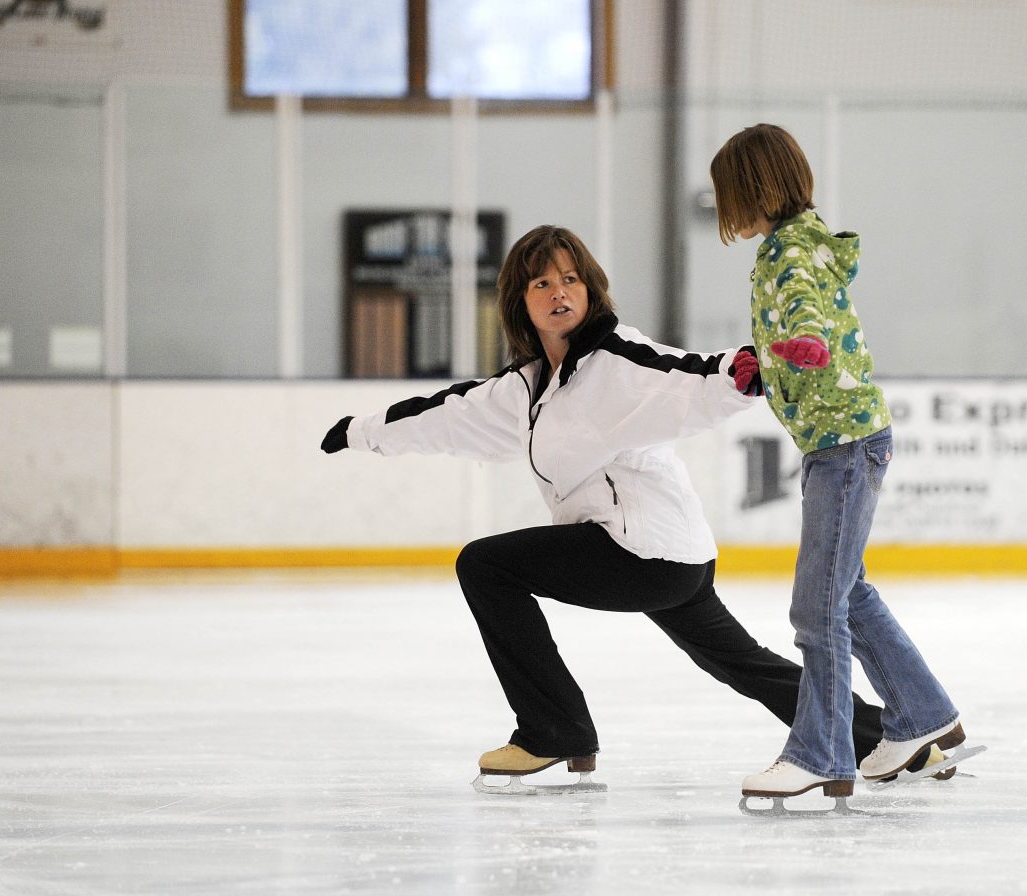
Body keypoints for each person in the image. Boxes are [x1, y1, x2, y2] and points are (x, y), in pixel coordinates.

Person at [321, 224, 887, 786]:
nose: (558, 293)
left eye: (570, 279)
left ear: (590, 289)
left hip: (640, 550)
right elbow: (448, 414)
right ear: (521, 300)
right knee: (740, 662)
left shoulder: (615, 361)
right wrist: (360, 432)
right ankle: (875, 736)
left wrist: (741, 372)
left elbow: (682, 373)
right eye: (541, 283)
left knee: (485, 566)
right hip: (669, 555)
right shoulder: (528, 389)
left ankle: (554, 728)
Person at [710, 124, 967, 803]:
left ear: (752, 188)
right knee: (845, 591)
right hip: (843, 439)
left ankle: (821, 750)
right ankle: (922, 715)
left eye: (728, 193)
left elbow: (805, 310)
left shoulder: (792, 252)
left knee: (816, 606)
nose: (723, 209)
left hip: (843, 444)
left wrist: (800, 342)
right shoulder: (796, 244)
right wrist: (769, 360)